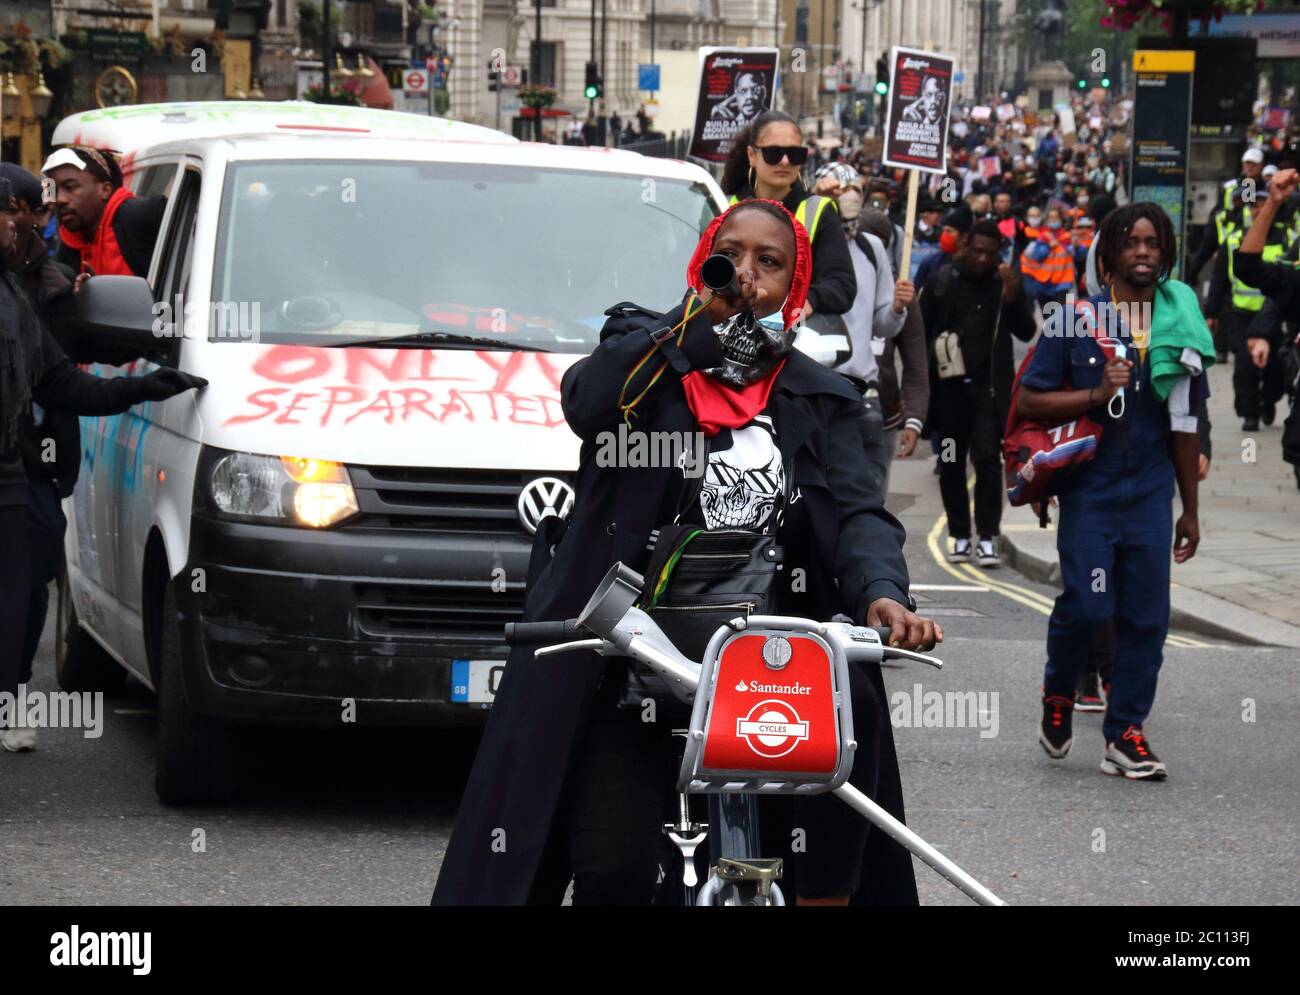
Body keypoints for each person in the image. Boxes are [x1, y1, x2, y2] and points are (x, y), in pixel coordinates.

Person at [431, 199, 940, 906]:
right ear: (704, 260)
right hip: (629, 668)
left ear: (796, 287)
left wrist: (883, 591)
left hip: (768, 675)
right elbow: (586, 400)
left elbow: (858, 516)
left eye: (771, 263)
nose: (750, 277)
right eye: (732, 255)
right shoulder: (646, 353)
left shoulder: (821, 398)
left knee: (833, 795)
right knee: (617, 872)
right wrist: (692, 329)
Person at [0, 180, 207, 752]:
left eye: (16, 217)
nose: (16, 229)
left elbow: (58, 380)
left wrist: (142, 386)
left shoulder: (19, 297)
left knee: (21, 592)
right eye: (6, 216)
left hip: (14, 475)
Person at [1019, 203, 1215, 780]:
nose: (1143, 252)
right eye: (1131, 242)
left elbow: (1185, 423)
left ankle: (1125, 731)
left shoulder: (1179, 325)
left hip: (1152, 492)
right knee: (1089, 604)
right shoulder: (1071, 319)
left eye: (1153, 243)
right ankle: (1059, 689)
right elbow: (1030, 400)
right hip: (1092, 489)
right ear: (1109, 255)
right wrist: (1093, 396)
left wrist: (1190, 512)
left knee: (1148, 616)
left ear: (1167, 253)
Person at [921, 219, 1035, 567]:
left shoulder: (1004, 284)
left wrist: (1015, 297)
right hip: (950, 392)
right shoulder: (943, 280)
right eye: (978, 251)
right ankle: (958, 534)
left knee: (987, 462)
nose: (983, 259)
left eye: (991, 253)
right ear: (966, 245)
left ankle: (987, 536)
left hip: (989, 393)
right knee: (952, 463)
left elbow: (1027, 330)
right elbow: (920, 331)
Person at [720, 110, 857, 319]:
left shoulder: (820, 210)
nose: (785, 161)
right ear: (752, 155)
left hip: (788, 338)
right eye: (774, 153)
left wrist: (807, 300)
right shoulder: (722, 207)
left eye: (795, 154)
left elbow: (842, 285)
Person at [826, 173, 914, 496]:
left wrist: (896, 308)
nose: (849, 195)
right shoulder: (804, 244)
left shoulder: (871, 247)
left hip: (864, 390)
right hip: (817, 388)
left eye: (855, 189)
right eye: (840, 188)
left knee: (870, 491)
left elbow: (883, 326)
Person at [1203, 180, 1296, 430]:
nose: (1257, 208)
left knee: (1276, 370)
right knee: (1244, 368)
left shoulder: (1289, 238)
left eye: (1263, 202)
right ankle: (1249, 414)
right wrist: (1211, 312)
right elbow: (1220, 277)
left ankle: (1269, 401)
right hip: (1242, 316)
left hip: (1276, 318)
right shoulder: (1235, 239)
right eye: (1253, 203)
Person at [1236, 167, 1300, 488]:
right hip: (1246, 319)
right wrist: (1272, 205)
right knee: (1249, 375)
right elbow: (1250, 269)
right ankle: (1255, 411)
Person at [861, 209, 930, 494]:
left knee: (872, 502)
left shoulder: (900, 290)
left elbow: (916, 361)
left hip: (883, 415)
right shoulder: (829, 279)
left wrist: (913, 417)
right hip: (831, 411)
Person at [42, 146, 166, 282]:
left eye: (70, 187)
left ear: (105, 190)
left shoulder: (140, 216)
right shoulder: (67, 246)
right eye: (54, 191)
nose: (60, 200)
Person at [1020, 207, 1075, 312]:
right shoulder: (1042, 236)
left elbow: (1077, 255)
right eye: (1050, 218)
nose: (1053, 219)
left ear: (1061, 219)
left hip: (1063, 282)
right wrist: (1048, 246)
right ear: (1047, 220)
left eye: (1056, 217)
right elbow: (1037, 256)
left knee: (1061, 314)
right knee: (1047, 316)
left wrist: (1074, 247)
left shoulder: (1068, 236)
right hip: (1044, 283)